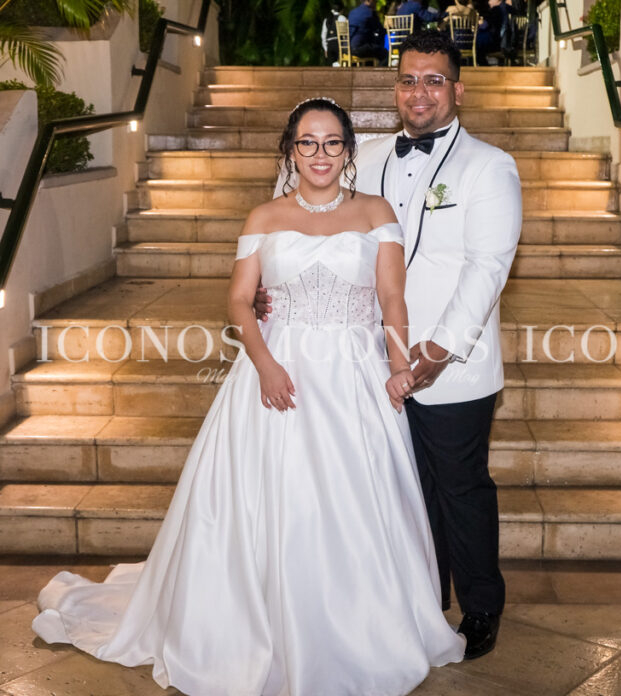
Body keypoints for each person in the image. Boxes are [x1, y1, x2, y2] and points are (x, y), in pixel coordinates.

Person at [30, 98, 466, 696]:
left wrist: (397, 366)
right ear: (291, 149)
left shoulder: (375, 211)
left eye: (332, 142)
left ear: (348, 149)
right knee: (273, 499)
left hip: (354, 374)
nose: (320, 154)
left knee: (354, 502)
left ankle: (361, 627)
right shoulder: (264, 215)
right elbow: (239, 300)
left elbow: (392, 297)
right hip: (277, 369)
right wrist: (264, 365)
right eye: (307, 142)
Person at [265, 31, 522, 660]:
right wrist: (272, 285)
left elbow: (487, 268)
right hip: (363, 365)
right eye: (409, 79)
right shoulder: (366, 155)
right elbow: (297, 210)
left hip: (451, 366)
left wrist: (437, 351)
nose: (420, 92)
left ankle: (481, 606)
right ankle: (421, 601)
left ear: (458, 89)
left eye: (434, 80)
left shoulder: (489, 166)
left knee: (460, 488)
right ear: (395, 88)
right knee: (400, 490)